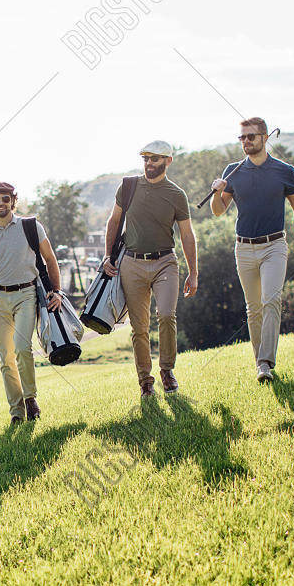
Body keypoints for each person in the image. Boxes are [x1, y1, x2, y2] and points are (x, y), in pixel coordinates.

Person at [210, 117, 294, 382]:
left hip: (275, 245)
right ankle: (260, 364)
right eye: (242, 137)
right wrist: (217, 193)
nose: (246, 141)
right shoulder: (232, 171)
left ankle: (265, 362)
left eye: (251, 137)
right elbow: (219, 212)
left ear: (265, 138)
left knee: (271, 300)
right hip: (243, 248)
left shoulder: (284, 171)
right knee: (253, 308)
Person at [103, 140, 198, 397]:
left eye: (155, 159)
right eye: (145, 158)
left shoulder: (177, 194)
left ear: (168, 161)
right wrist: (107, 256)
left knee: (166, 314)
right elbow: (113, 222)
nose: (149, 164)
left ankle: (167, 370)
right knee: (139, 327)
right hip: (131, 264)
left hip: (165, 262)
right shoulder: (128, 186)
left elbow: (187, 235)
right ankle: (146, 380)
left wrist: (193, 272)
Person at [0, 182, 64, 424]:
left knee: (22, 348)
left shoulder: (30, 226)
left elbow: (50, 259)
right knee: (6, 358)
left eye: (5, 199)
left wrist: (57, 291)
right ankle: (16, 411)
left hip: (26, 295)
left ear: (13, 201)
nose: (1, 203)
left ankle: (30, 398)